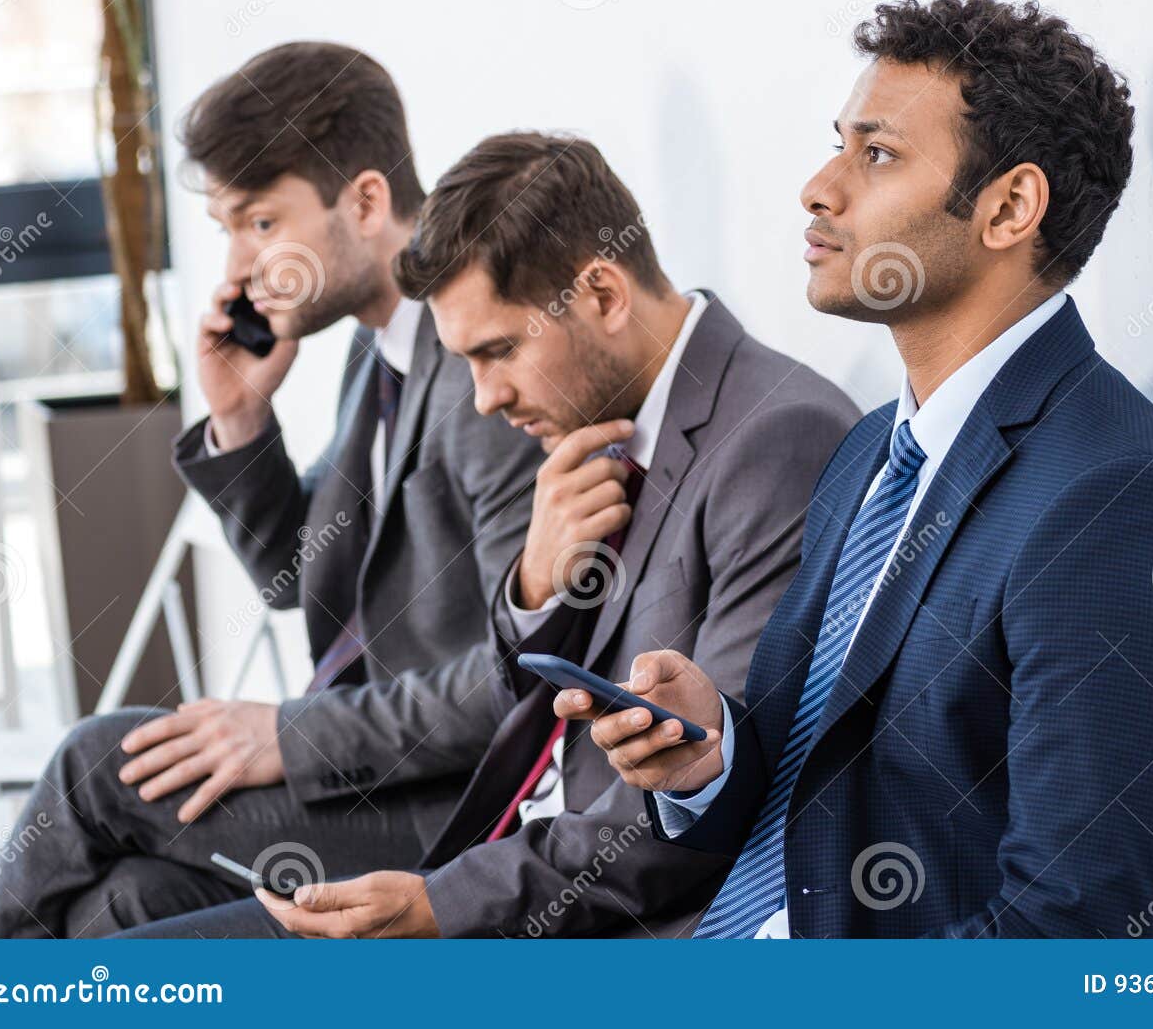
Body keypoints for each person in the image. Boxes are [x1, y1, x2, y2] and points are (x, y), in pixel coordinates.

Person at [562, 0, 1153, 937]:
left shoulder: (1118, 507)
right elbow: (811, 798)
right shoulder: (871, 453)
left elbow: (1072, 931)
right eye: (837, 144)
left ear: (1009, 208)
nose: (819, 187)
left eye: (876, 155)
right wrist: (713, 757)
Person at [114, 131, 862, 938]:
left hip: (580, 918)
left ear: (604, 295)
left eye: (498, 351)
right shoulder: (597, 435)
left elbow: (700, 802)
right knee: (121, 900)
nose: (482, 399)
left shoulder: (774, 440)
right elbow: (520, 699)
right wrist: (536, 589)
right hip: (496, 848)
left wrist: (444, 904)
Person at [0, 44, 544, 938]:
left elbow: (516, 676)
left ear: (368, 202)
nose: (239, 263)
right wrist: (238, 418)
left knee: (96, 764)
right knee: (117, 907)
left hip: (450, 811)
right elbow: (294, 579)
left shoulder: (481, 376)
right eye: (230, 227)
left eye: (260, 223)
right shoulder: (375, 355)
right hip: (375, 786)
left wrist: (290, 735)